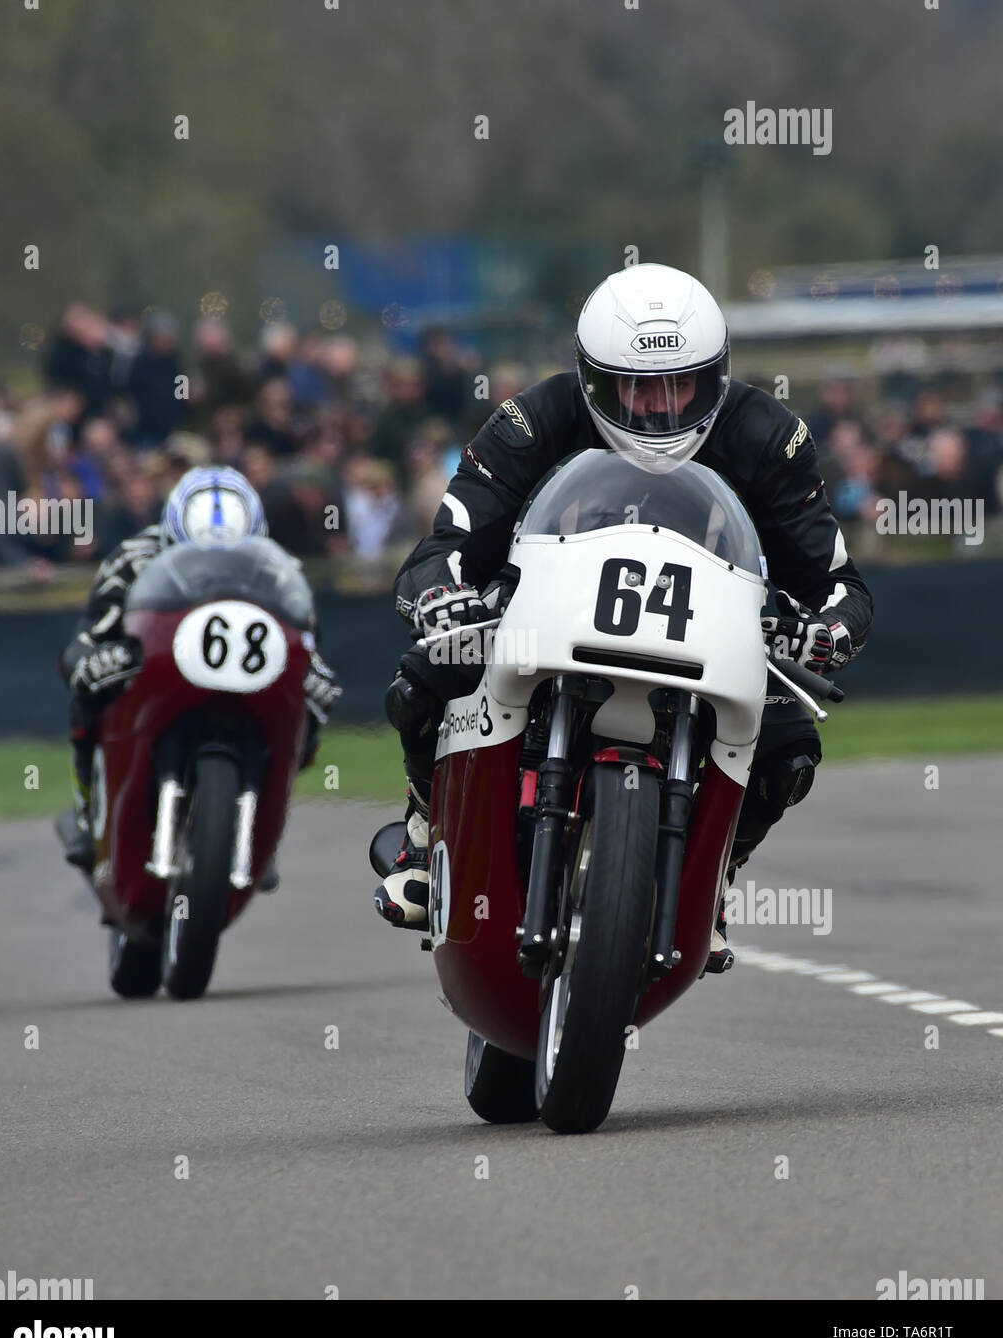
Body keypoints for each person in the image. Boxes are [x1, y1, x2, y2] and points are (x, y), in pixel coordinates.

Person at [373, 263, 873, 975]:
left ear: (717, 378)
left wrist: (823, 631)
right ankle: (427, 835)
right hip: (547, 613)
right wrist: (442, 597)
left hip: (707, 629)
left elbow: (838, 584)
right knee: (427, 673)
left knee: (791, 748)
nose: (659, 408)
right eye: (634, 386)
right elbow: (445, 547)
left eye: (682, 385)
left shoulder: (770, 437)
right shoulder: (532, 420)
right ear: (591, 379)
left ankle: (714, 875)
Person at [56, 466, 342, 872]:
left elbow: (307, 639)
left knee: (308, 720)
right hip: (154, 668)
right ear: (171, 537)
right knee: (87, 699)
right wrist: (89, 659)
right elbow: (88, 634)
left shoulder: (280, 568)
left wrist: (315, 676)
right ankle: (88, 813)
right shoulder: (132, 558)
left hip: (250, 685)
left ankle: (263, 820)